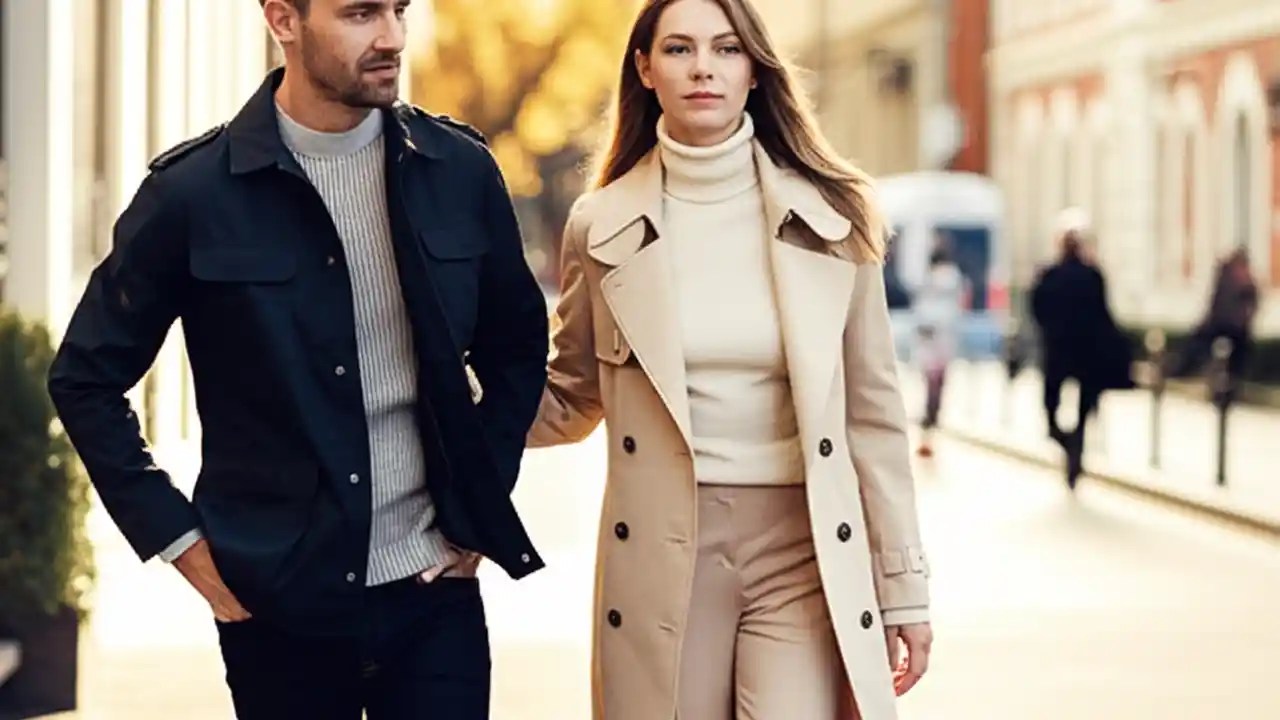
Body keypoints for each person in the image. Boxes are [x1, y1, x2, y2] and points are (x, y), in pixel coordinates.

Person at [47, 1, 549, 717]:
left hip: (435, 600)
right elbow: (86, 378)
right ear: (283, 19)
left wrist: (477, 511)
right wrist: (182, 544)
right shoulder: (192, 194)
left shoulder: (460, 172)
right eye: (360, 13)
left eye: (400, 10)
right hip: (276, 609)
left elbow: (518, 349)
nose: (392, 37)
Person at [527, 1, 933, 718]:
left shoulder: (833, 217)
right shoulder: (602, 225)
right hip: (664, 555)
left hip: (801, 552)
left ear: (755, 69)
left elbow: (874, 418)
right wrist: (441, 396)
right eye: (679, 50)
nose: (704, 68)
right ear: (646, 70)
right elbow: (571, 395)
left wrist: (901, 585)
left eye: (726, 49)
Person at [1030, 208, 1132, 490]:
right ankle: (1074, 446)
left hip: (1064, 352)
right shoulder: (1087, 275)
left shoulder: (1053, 275)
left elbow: (1037, 310)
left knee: (1055, 407)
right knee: (1076, 409)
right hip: (1080, 352)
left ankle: (1072, 449)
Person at [1167, 247, 1258, 386]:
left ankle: (1181, 370)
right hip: (1225, 326)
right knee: (1198, 346)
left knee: (1203, 347)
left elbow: (1246, 304)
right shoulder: (1237, 279)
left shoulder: (1239, 280)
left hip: (1227, 327)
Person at [912, 243, 965, 457]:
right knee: (937, 389)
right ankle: (930, 427)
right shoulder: (955, 280)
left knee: (930, 389)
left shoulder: (930, 281)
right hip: (944, 343)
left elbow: (921, 313)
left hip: (931, 343)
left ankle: (928, 429)